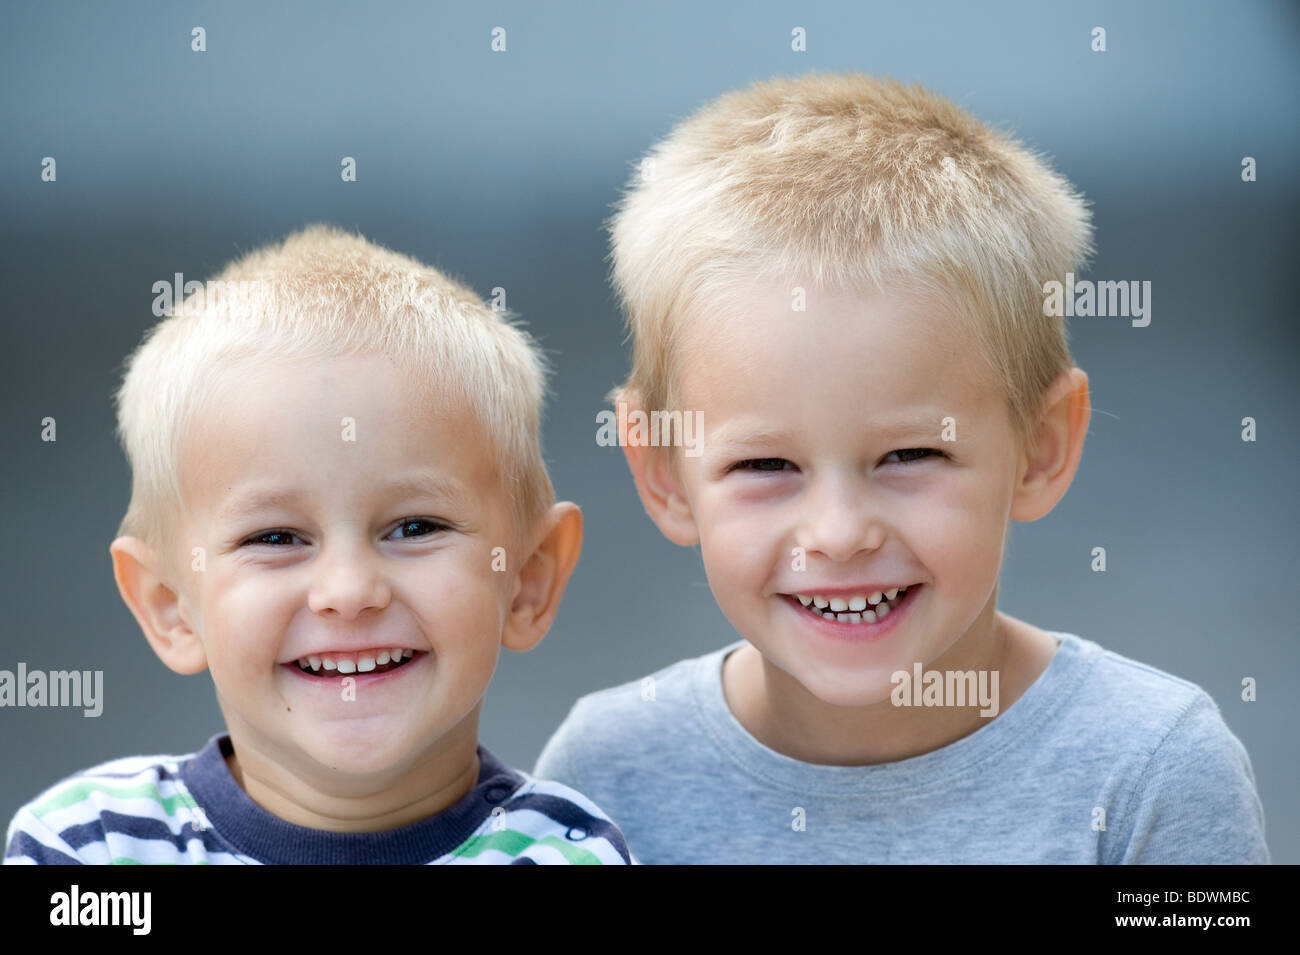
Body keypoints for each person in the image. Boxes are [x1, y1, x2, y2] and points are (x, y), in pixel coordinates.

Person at [534, 71, 1269, 864]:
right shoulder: (603, 776)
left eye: (911, 454)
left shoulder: (1152, 772)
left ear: (1042, 446)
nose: (841, 533)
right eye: (766, 463)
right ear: (663, 472)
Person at [5, 225, 630, 864]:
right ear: (169, 603)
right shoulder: (91, 846)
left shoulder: (565, 854)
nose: (349, 591)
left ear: (528, 577)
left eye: (416, 527)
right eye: (275, 537)